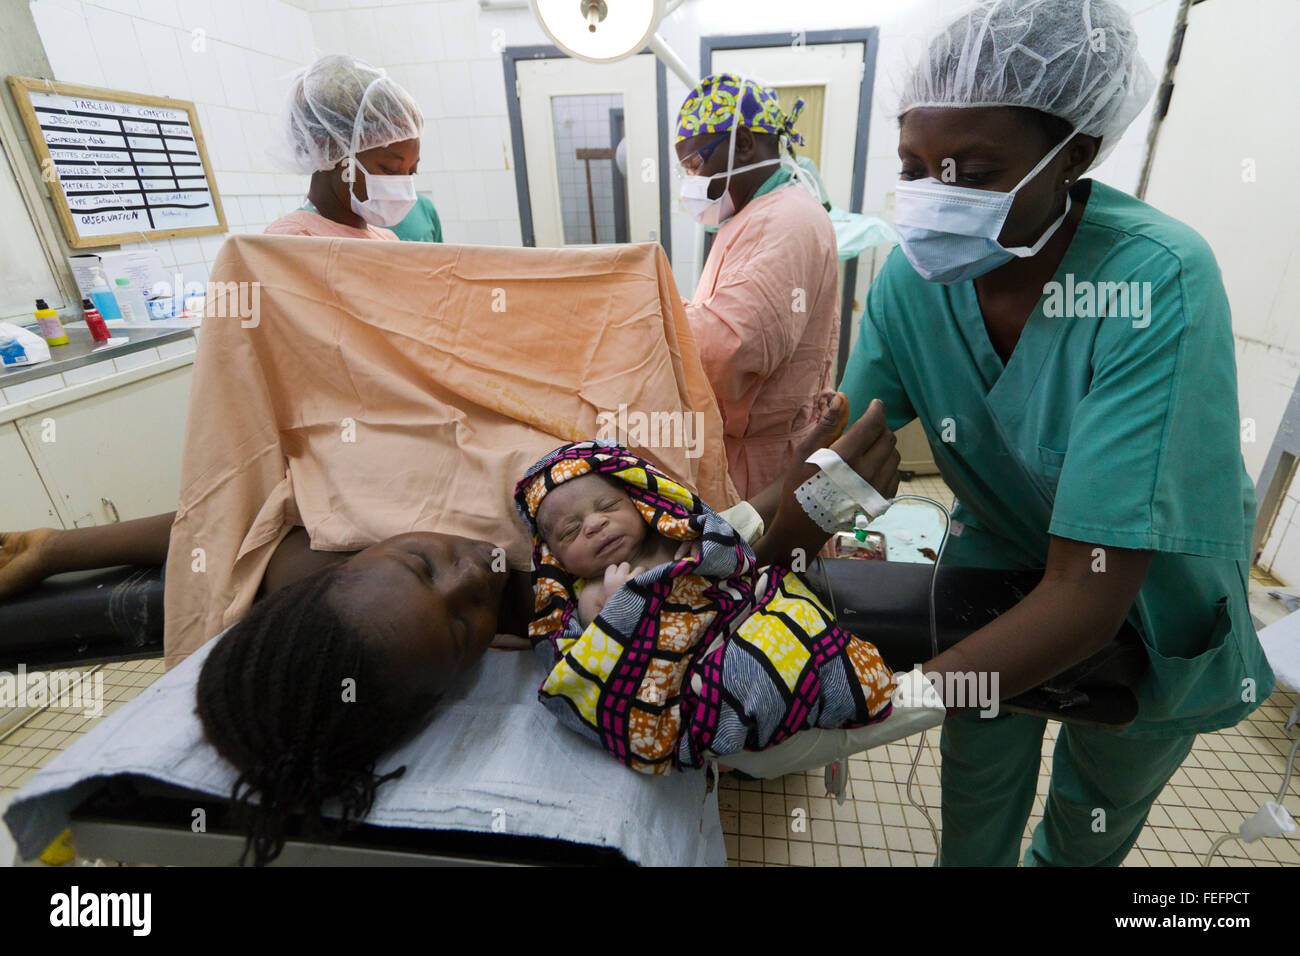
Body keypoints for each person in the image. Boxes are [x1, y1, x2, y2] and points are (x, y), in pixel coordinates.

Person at [1, 397, 901, 864]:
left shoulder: (314, 566)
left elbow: (221, 525)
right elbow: (706, 582)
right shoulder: (532, 609)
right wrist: (808, 500)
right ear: (490, 651)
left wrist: (52, 549)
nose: (472, 571)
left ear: (351, 561)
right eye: (465, 617)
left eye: (421, 564)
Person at [838, 0, 1275, 866]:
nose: (933, 200)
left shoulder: (1155, 280)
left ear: (1076, 153)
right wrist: (738, 544)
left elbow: (1088, 588)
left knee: (1091, 823)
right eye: (915, 166)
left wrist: (883, 710)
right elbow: (836, 463)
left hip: (1145, 599)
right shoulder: (913, 282)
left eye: (972, 171)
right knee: (976, 800)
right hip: (994, 568)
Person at [516, 439, 894, 775]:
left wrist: (703, 551)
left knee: (789, 603)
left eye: (608, 506)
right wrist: (620, 608)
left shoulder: (672, 536)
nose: (595, 525)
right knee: (756, 667)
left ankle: (830, 676)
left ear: (639, 500)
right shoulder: (593, 593)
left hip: (736, 619)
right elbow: (605, 657)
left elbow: (728, 565)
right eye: (570, 531)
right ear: (556, 560)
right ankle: (773, 704)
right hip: (690, 677)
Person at [675, 74, 840, 499]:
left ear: (744, 143)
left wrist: (652, 311)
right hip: (747, 455)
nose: (691, 180)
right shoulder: (757, 215)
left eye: (695, 164)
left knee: (762, 563)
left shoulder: (784, 220)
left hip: (763, 470)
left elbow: (730, 349)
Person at [264, 54, 422, 240]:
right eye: (391, 170)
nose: (401, 188)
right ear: (330, 149)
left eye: (411, 172)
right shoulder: (292, 240)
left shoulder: (386, 240)